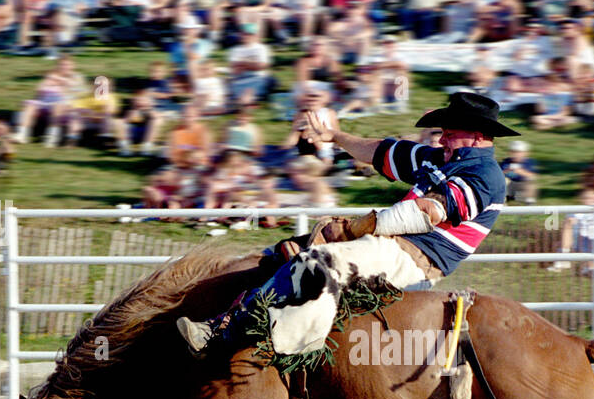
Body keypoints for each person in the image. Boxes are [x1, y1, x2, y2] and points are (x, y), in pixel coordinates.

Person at [176, 92, 515, 360]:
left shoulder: (485, 176)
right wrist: (334, 136)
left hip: (417, 256)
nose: (441, 140)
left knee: (321, 262)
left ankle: (236, 334)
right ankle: (231, 309)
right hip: (394, 242)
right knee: (285, 252)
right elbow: (383, 151)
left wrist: (360, 227)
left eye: (450, 133)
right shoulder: (439, 158)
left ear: (477, 136)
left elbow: (426, 214)